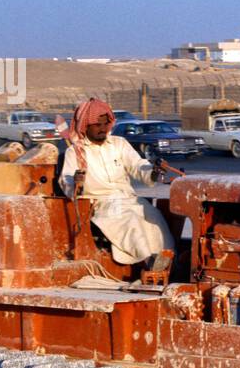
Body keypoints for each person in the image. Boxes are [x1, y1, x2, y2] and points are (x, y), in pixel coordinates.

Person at [59, 98, 174, 271]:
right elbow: (66, 180)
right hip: (101, 203)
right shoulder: (75, 152)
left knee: (154, 219)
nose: (103, 128)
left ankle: (168, 263)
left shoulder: (119, 144)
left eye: (106, 124)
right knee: (131, 222)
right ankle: (149, 263)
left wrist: (154, 171)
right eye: (97, 125)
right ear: (85, 126)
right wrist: (75, 183)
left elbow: (137, 166)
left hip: (129, 199)